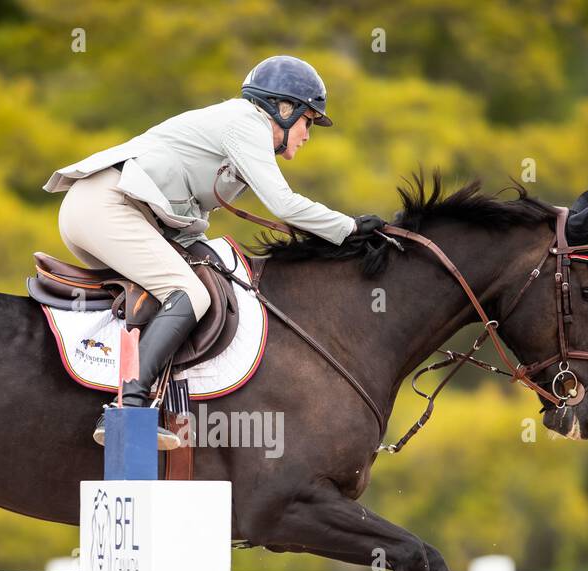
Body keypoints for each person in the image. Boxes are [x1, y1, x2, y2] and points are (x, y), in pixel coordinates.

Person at [44, 55, 387, 449]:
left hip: (109, 210)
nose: (308, 134)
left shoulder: (241, 134)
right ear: (284, 108)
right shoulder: (247, 122)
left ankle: (150, 392)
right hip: (106, 207)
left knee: (199, 281)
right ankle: (130, 404)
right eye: (308, 121)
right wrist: (349, 228)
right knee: (190, 293)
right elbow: (284, 204)